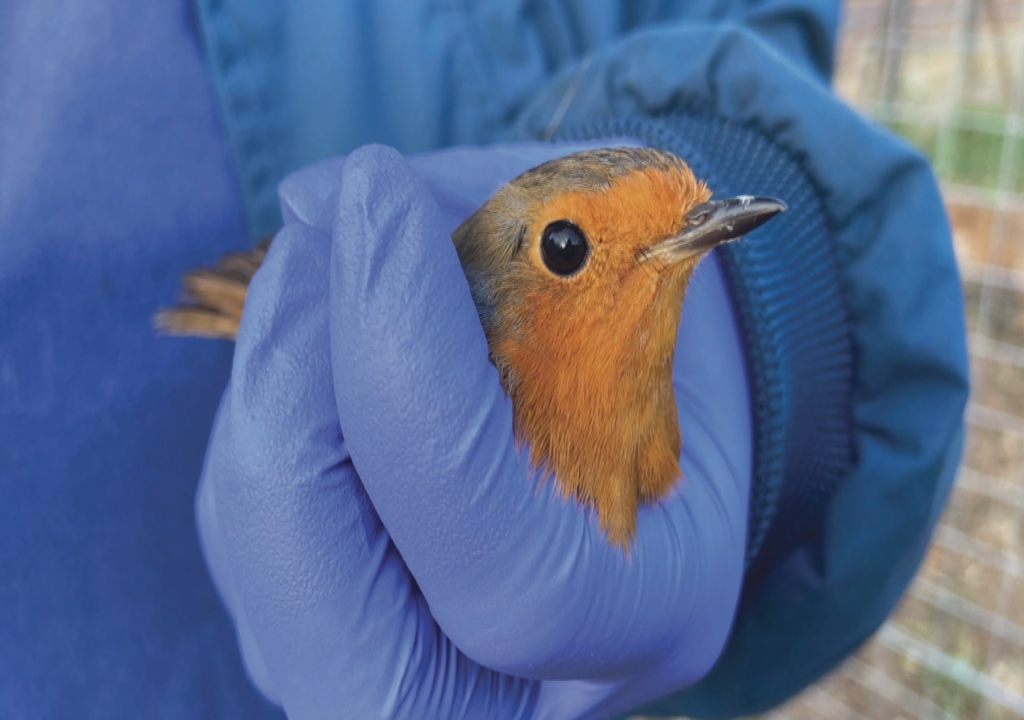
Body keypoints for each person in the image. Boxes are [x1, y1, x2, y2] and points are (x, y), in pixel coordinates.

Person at [0, 1, 968, 719]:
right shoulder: (493, 344)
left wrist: (783, 344)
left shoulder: (650, 345)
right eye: (565, 251)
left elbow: (756, 34)